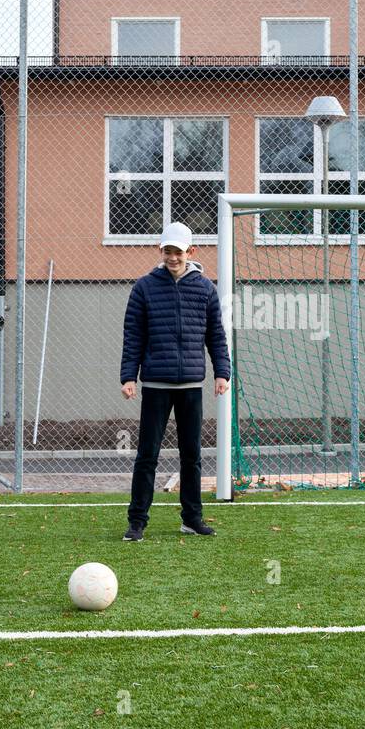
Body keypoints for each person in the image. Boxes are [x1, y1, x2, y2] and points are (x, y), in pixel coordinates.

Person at [120, 222, 231, 541]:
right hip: (156, 385)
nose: (173, 257)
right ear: (161, 251)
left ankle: (191, 518)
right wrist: (129, 376)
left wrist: (222, 371)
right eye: (167, 251)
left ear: (191, 252)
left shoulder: (205, 288)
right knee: (147, 455)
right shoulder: (144, 287)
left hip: (191, 387)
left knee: (192, 455)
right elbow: (133, 335)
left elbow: (216, 336)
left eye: (178, 252)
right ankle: (137, 521)